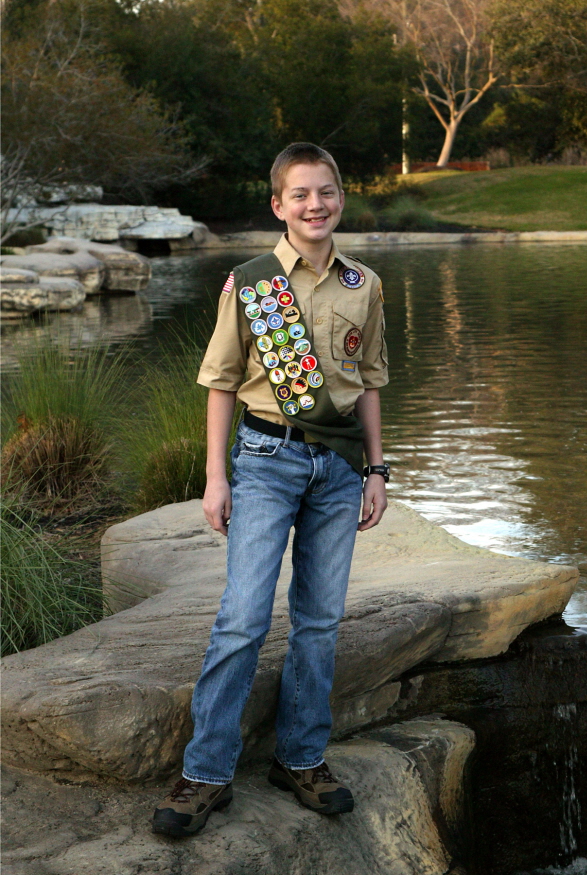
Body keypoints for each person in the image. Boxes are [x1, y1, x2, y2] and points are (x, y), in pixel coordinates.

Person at [152, 143, 390, 837]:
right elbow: (221, 382)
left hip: (341, 468)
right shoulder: (251, 283)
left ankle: (302, 757)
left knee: (319, 620)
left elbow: (370, 383)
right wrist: (215, 474)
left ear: (341, 198)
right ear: (278, 205)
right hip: (265, 457)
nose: (316, 205)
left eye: (327, 192)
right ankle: (205, 771)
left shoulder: (364, 285)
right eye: (301, 195)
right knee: (243, 617)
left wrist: (377, 469)